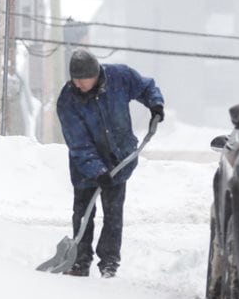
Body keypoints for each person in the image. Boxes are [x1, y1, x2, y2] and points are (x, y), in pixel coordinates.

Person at [56, 49, 164, 278]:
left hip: (119, 159)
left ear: (95, 74)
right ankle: (80, 261)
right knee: (83, 213)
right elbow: (79, 144)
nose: (77, 84)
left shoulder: (120, 77)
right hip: (85, 168)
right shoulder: (68, 100)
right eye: (73, 79)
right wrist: (97, 171)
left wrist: (155, 104)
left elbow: (146, 86)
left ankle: (109, 262)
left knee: (114, 213)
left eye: (81, 79)